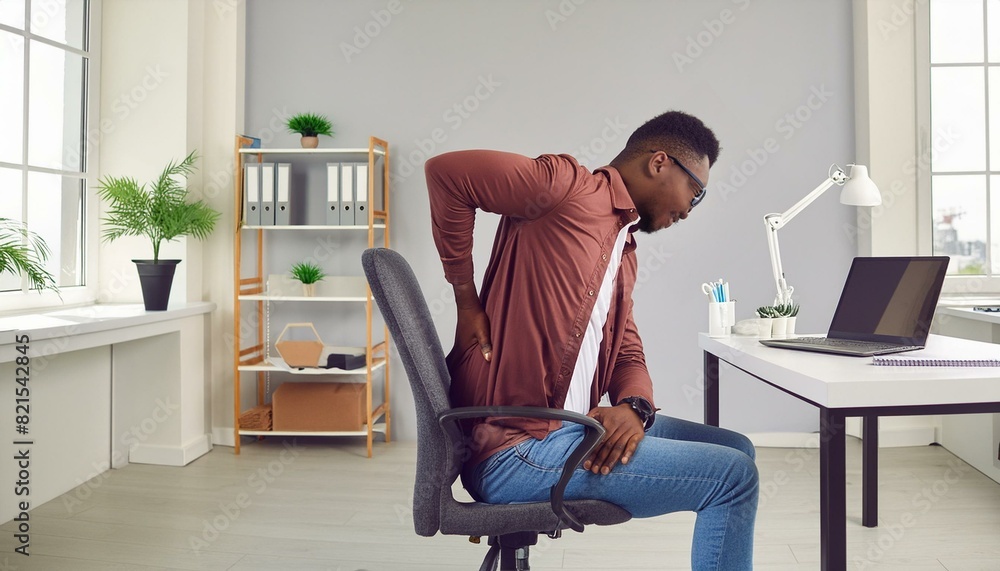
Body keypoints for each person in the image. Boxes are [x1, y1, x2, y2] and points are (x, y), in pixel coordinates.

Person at [424, 110, 758, 570]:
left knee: (736, 450)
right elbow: (448, 173)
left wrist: (635, 408)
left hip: (572, 427)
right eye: (695, 192)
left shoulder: (622, 253)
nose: (688, 210)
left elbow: (627, 350)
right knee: (733, 477)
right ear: (660, 163)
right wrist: (466, 299)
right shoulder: (565, 188)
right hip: (518, 448)